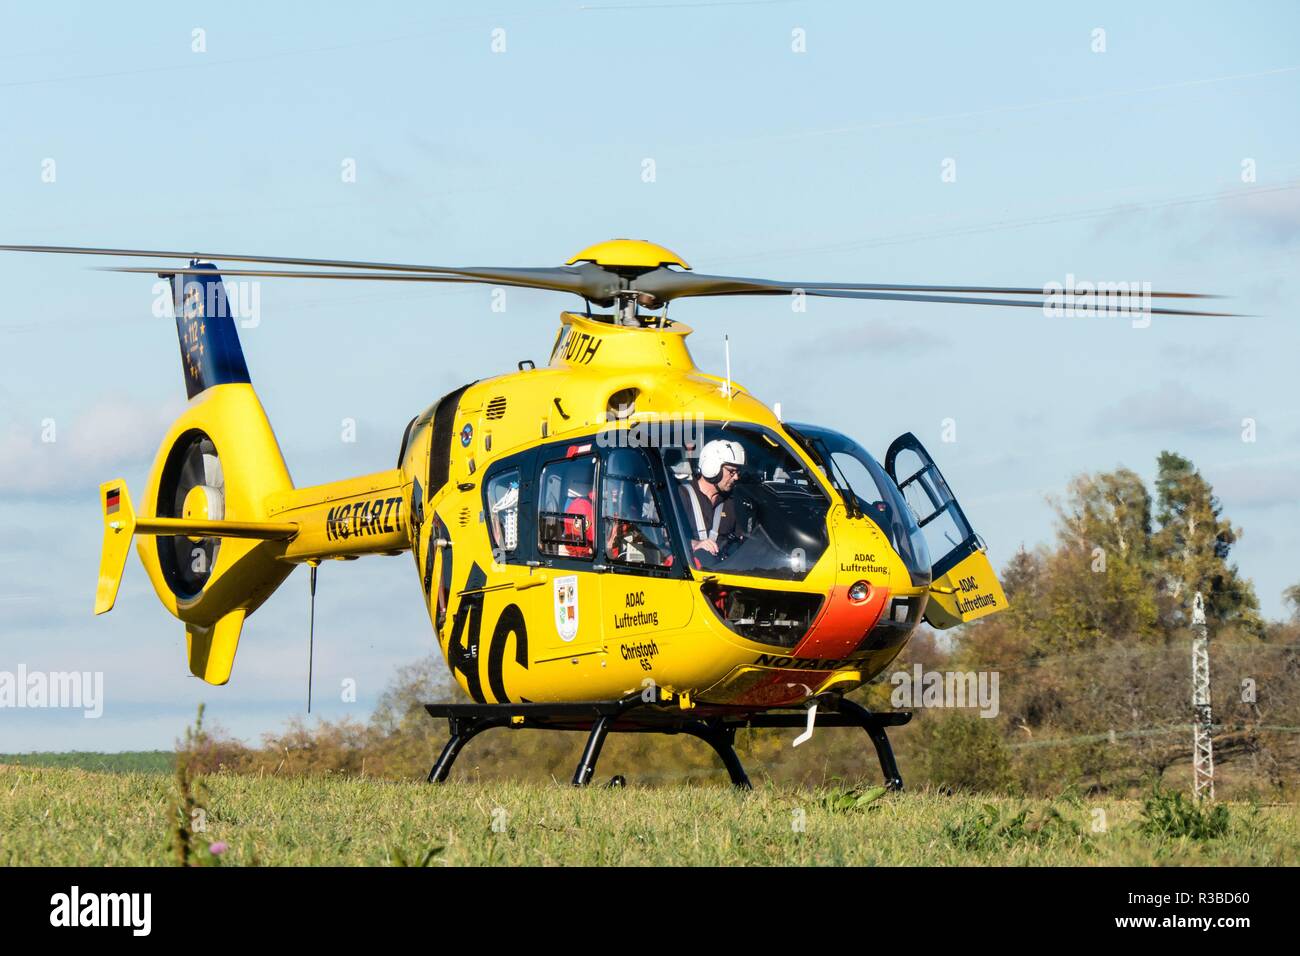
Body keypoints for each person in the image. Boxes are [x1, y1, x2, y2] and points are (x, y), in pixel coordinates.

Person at [677, 439, 745, 565]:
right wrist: (694, 544)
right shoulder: (681, 495)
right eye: (731, 471)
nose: (736, 477)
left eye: (738, 472)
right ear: (712, 467)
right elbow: (663, 538)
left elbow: (741, 541)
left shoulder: (733, 502)